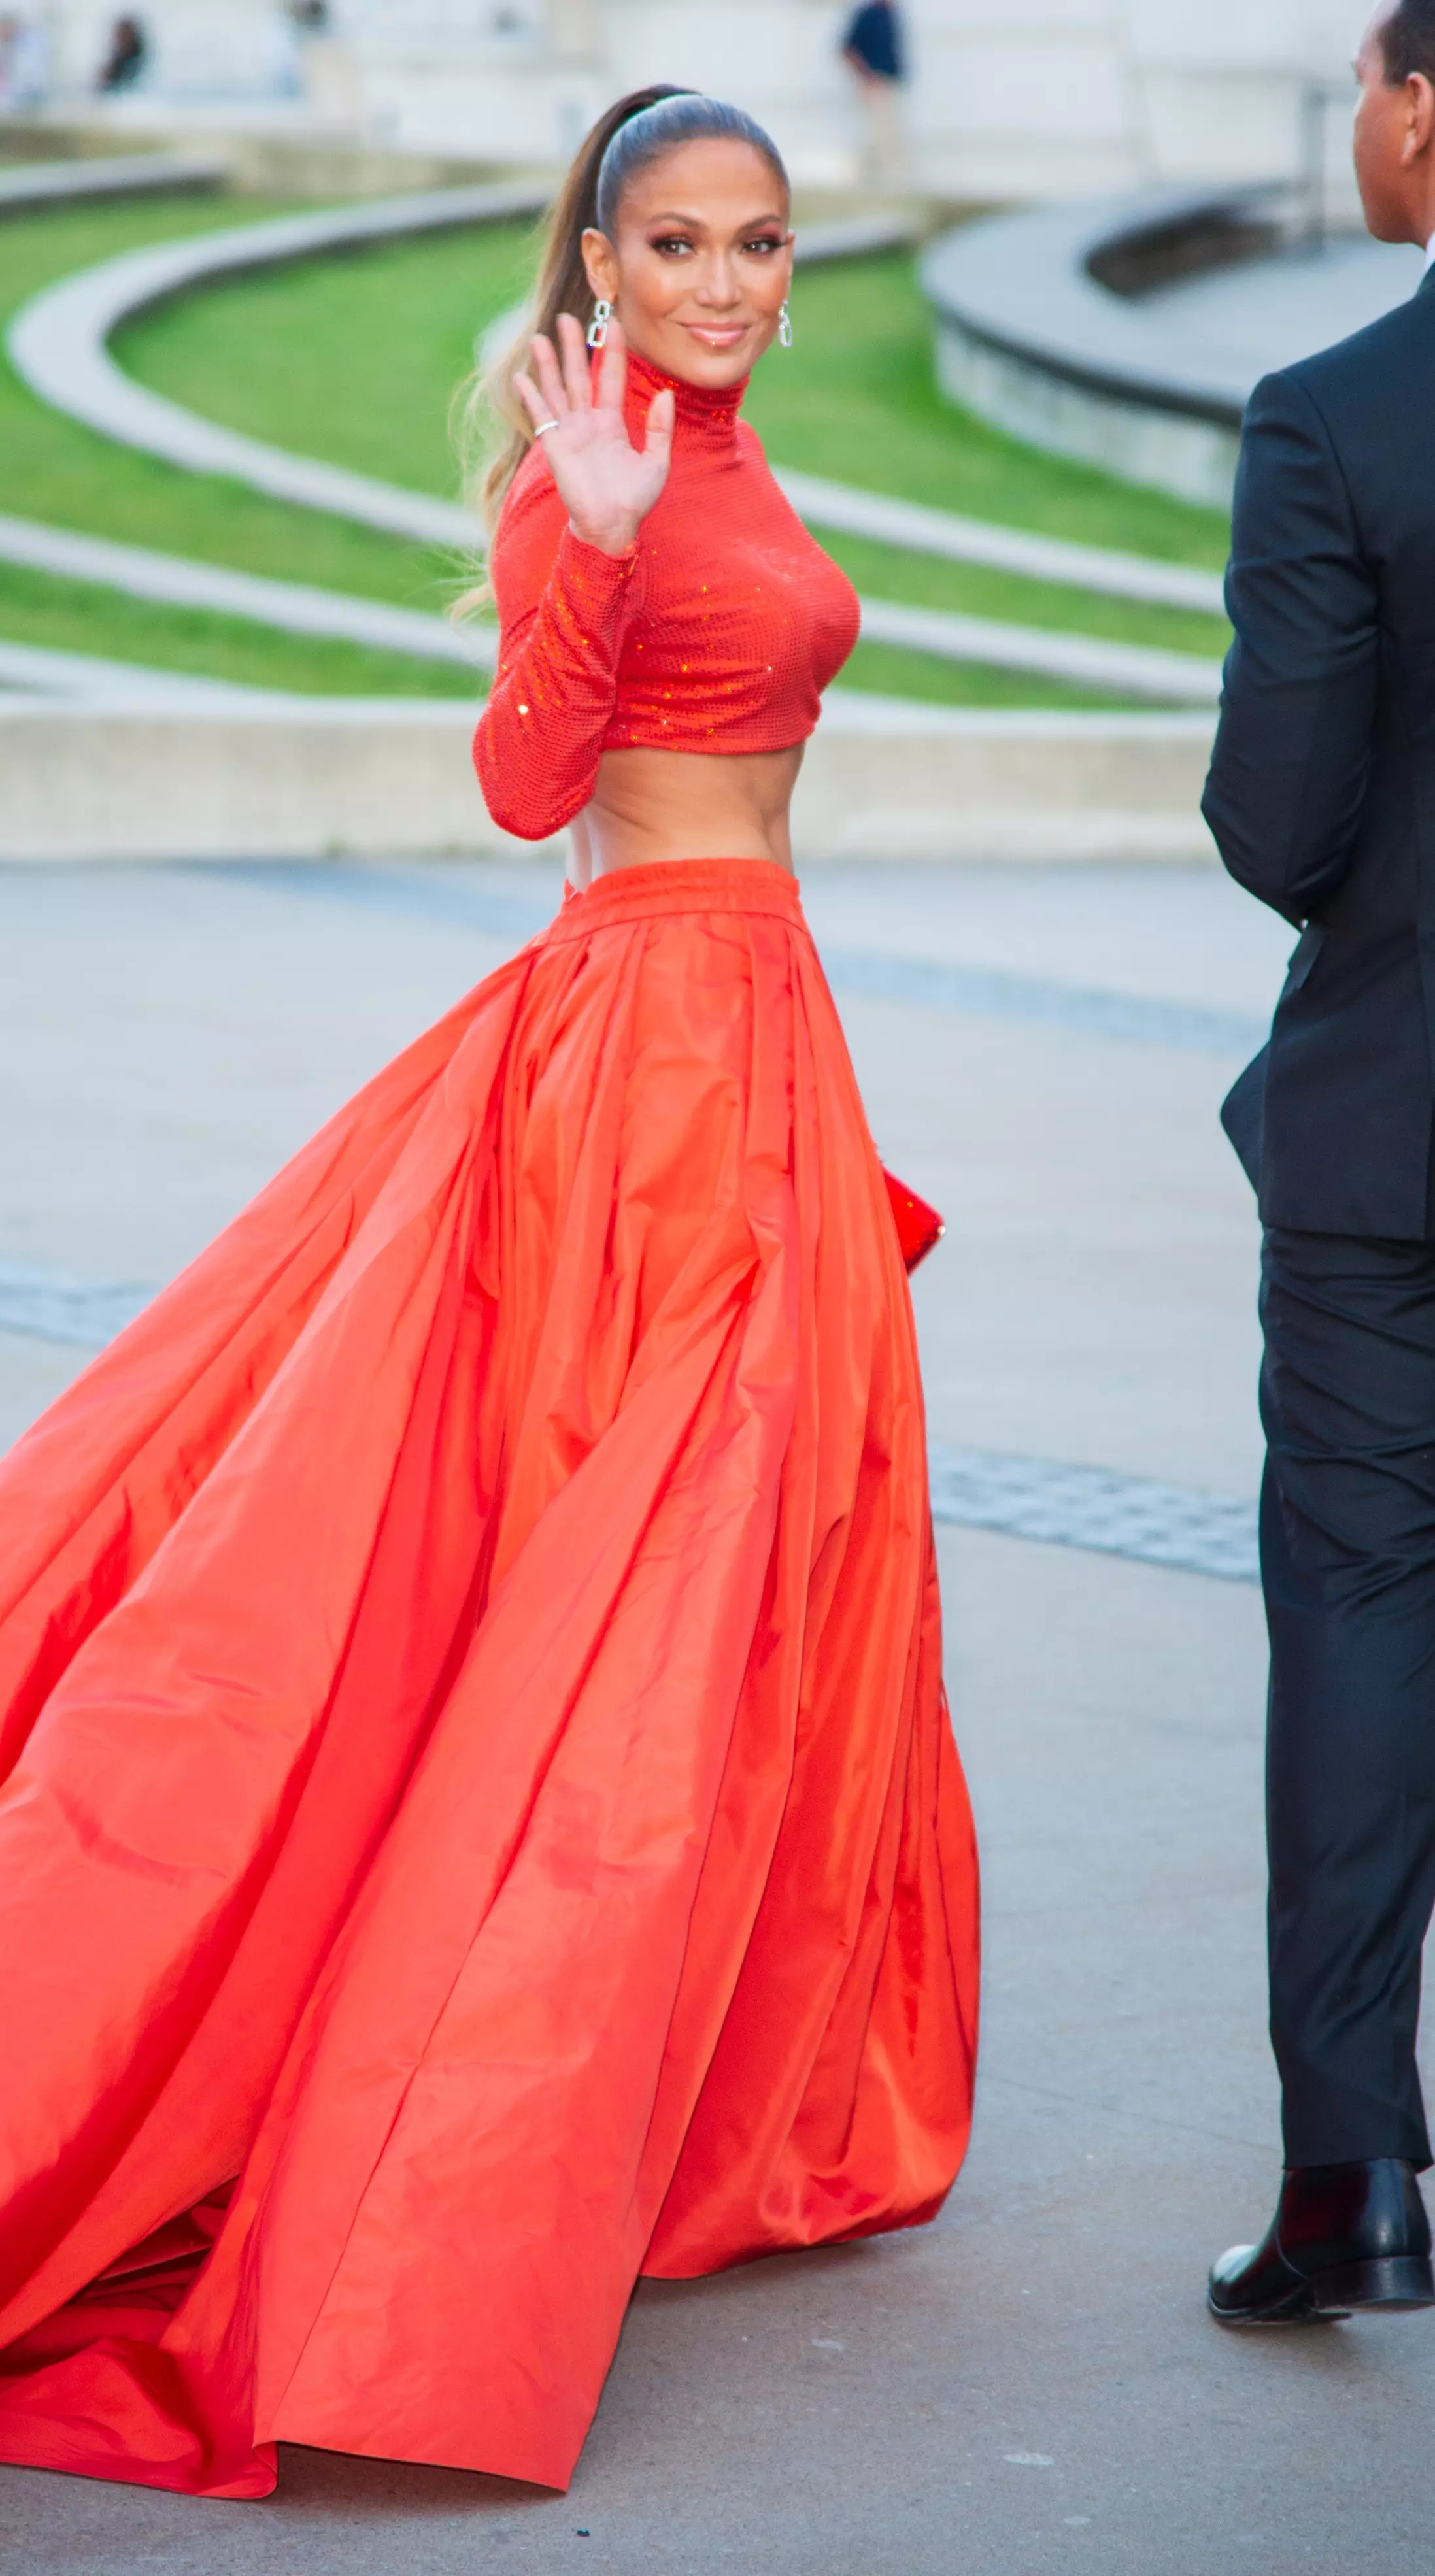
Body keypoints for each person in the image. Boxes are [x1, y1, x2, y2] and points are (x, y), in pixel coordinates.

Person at [0, 89, 978, 2513]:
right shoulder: (579, 471)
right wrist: (589, 557)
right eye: (676, 246)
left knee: (735, 1606)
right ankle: (433, 2117)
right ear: (591, 267)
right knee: (590, 1615)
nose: (722, 284)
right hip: (636, 1069)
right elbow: (523, 788)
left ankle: (673, 2100)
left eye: (757, 244)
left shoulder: (718, 448)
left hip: (763, 1037)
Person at [1204, 0, 1435, 2325]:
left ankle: (1348, 2179)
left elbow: (1270, 825)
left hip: (1390, 1130)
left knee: (1360, 1609)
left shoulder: (1330, 416)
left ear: (1414, 109)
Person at [840, 0, 909, 190]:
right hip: (876, 83)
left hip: (890, 83)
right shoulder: (868, 15)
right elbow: (847, 49)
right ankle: (888, 181)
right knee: (881, 134)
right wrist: (867, 76)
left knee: (884, 134)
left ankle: (877, 179)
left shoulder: (891, 14)